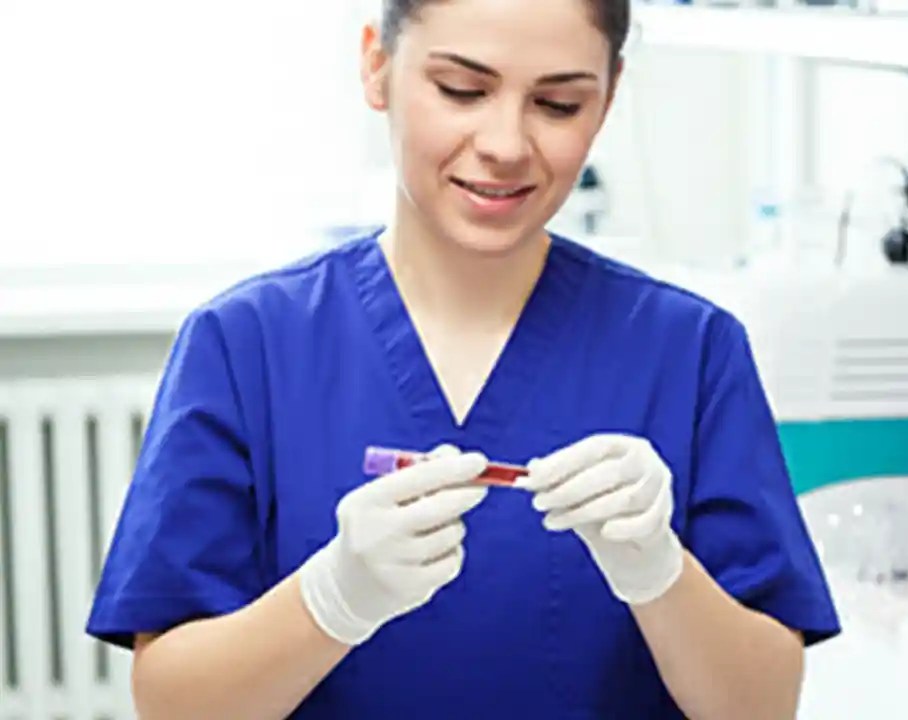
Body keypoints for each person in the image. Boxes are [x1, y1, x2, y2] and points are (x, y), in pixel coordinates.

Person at [85, 0, 840, 717]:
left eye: (558, 105)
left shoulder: (691, 352)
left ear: (607, 102)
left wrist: (661, 575)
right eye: (462, 89)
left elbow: (763, 706)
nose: (507, 144)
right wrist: (331, 599)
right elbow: (171, 704)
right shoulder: (244, 347)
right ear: (377, 65)